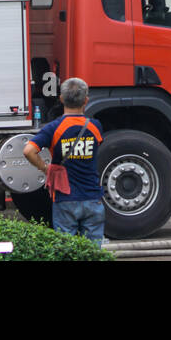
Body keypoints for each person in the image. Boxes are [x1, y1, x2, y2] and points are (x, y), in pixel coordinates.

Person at [24, 77, 105, 244]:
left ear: (61, 99)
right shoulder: (95, 126)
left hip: (65, 199)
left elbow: (28, 151)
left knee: (67, 249)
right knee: (94, 251)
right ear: (86, 100)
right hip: (92, 198)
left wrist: (45, 168)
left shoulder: (53, 128)